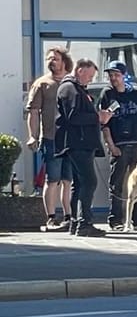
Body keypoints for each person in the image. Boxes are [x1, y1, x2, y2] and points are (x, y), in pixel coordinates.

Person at [55, 59, 106, 237]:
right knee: (89, 181)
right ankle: (84, 222)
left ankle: (76, 222)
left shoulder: (77, 89)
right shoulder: (70, 89)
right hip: (78, 143)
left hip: (82, 143)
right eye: (90, 75)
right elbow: (73, 117)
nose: (91, 80)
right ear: (79, 71)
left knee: (80, 183)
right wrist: (97, 117)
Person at [25, 47, 72, 231]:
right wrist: (33, 136)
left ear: (64, 61)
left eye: (55, 59)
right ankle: (51, 217)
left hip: (71, 139)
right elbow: (33, 112)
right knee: (52, 179)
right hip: (51, 138)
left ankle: (69, 216)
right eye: (49, 59)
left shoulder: (71, 82)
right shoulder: (42, 84)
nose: (52, 62)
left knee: (68, 180)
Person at [100, 61, 137, 231]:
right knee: (117, 184)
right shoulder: (107, 94)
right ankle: (116, 220)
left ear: (124, 75)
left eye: (116, 75)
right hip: (119, 145)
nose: (113, 78)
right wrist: (111, 145)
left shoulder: (136, 95)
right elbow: (104, 124)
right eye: (111, 75)